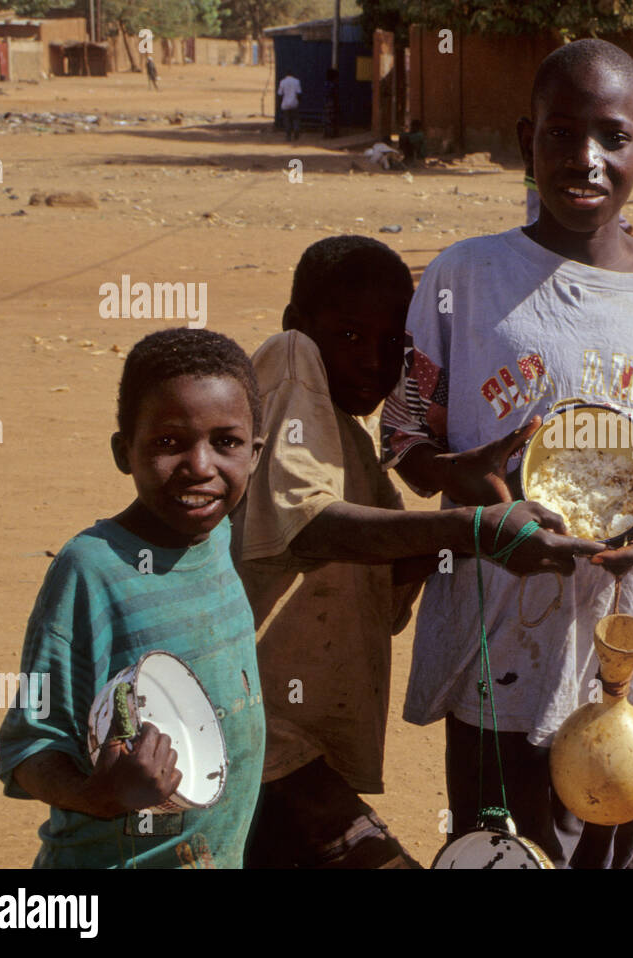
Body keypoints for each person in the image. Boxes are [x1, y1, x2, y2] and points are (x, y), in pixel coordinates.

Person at [380, 38, 633, 869]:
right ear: (528, 141)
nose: (585, 160)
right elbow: (405, 438)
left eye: (612, 137)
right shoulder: (465, 276)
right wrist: (470, 483)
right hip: (503, 647)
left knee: (626, 854)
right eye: (561, 134)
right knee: (501, 852)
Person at [234, 236, 598, 869]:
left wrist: (467, 504)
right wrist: (471, 530)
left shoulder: (349, 443)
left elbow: (377, 576)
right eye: (348, 337)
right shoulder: (290, 363)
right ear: (299, 323)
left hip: (301, 744)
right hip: (262, 733)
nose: (373, 363)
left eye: (392, 345)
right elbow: (312, 526)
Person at [0, 329, 268, 867]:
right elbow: (30, 746)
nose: (201, 466)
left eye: (226, 442)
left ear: (255, 452)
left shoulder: (218, 539)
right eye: (169, 443)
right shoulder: (92, 570)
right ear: (125, 451)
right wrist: (101, 795)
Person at [278, 71, 302, 142]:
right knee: (295, 119)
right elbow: (299, 93)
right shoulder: (297, 81)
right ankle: (296, 131)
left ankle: (288, 135)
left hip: (285, 104)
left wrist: (280, 103)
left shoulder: (282, 82)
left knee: (287, 120)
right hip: (294, 103)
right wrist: (299, 102)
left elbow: (280, 94)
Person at [323, 67, 339, 140]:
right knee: (332, 118)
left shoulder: (326, 83)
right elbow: (334, 93)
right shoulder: (333, 84)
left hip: (327, 102)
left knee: (328, 118)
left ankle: (327, 133)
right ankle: (332, 133)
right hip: (332, 102)